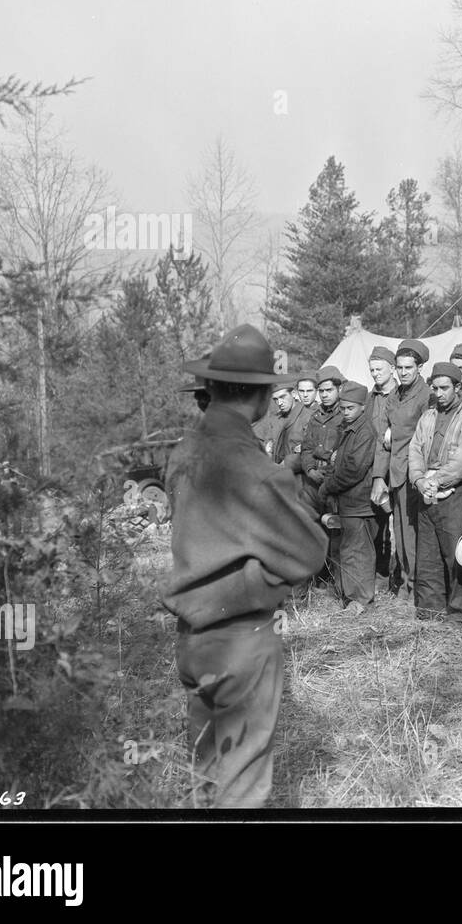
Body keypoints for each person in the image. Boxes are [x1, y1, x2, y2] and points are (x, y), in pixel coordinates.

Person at [161, 324, 327, 808]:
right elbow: (310, 552)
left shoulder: (185, 450)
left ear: (209, 388)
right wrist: (267, 568)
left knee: (207, 775)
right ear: (259, 397)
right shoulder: (253, 468)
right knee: (241, 790)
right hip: (240, 641)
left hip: (193, 640)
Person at [409, 362, 462, 621]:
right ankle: (430, 610)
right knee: (427, 555)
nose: (439, 393)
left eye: (445, 388)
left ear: (457, 387)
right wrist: (418, 479)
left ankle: (460, 612)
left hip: (454, 494)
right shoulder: (427, 416)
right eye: (435, 388)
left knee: (456, 554)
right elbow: (415, 450)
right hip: (426, 492)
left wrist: (437, 480)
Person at [373, 339, 431, 600]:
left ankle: (415, 588)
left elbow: (427, 440)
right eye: (399, 367)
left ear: (419, 367)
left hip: (416, 475)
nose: (403, 372)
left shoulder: (426, 396)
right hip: (396, 474)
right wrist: (378, 477)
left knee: (413, 534)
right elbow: (384, 441)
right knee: (400, 533)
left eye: (409, 367)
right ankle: (406, 584)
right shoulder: (394, 397)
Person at [319, 380, 379, 613]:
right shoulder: (347, 428)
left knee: (358, 552)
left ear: (362, 406)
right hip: (346, 500)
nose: (345, 412)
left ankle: (362, 600)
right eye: (342, 408)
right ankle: (349, 596)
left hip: (358, 501)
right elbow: (336, 460)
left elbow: (354, 470)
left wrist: (328, 486)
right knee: (346, 550)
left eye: (350, 408)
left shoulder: (365, 432)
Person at [300, 365, 346, 591]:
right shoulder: (315, 417)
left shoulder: (346, 415)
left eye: (329, 390)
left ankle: (337, 581)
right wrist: (309, 469)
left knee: (336, 533)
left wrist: (326, 462)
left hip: (334, 482)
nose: (325, 395)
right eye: (322, 391)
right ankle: (313, 579)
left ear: (339, 389)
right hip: (313, 482)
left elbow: (343, 453)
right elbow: (306, 448)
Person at [362, 347, 397, 598]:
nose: (375, 374)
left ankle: (394, 575)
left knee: (399, 527)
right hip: (372, 467)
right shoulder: (370, 397)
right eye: (372, 370)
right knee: (376, 522)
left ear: (392, 369)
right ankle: (380, 573)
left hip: (394, 467)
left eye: (379, 369)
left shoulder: (399, 395)